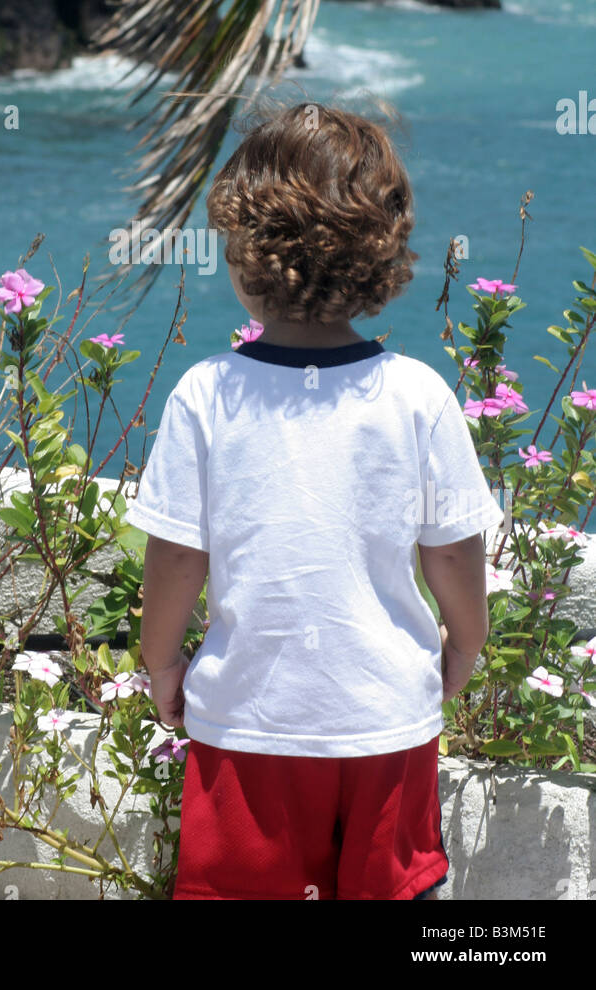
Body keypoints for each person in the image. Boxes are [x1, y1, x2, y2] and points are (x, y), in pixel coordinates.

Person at [124, 97, 504, 900]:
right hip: (386, 728)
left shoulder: (207, 394)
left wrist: (161, 662)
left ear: (244, 254)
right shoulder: (418, 395)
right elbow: (451, 550)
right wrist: (464, 644)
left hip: (247, 726)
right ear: (381, 257)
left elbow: (179, 558)